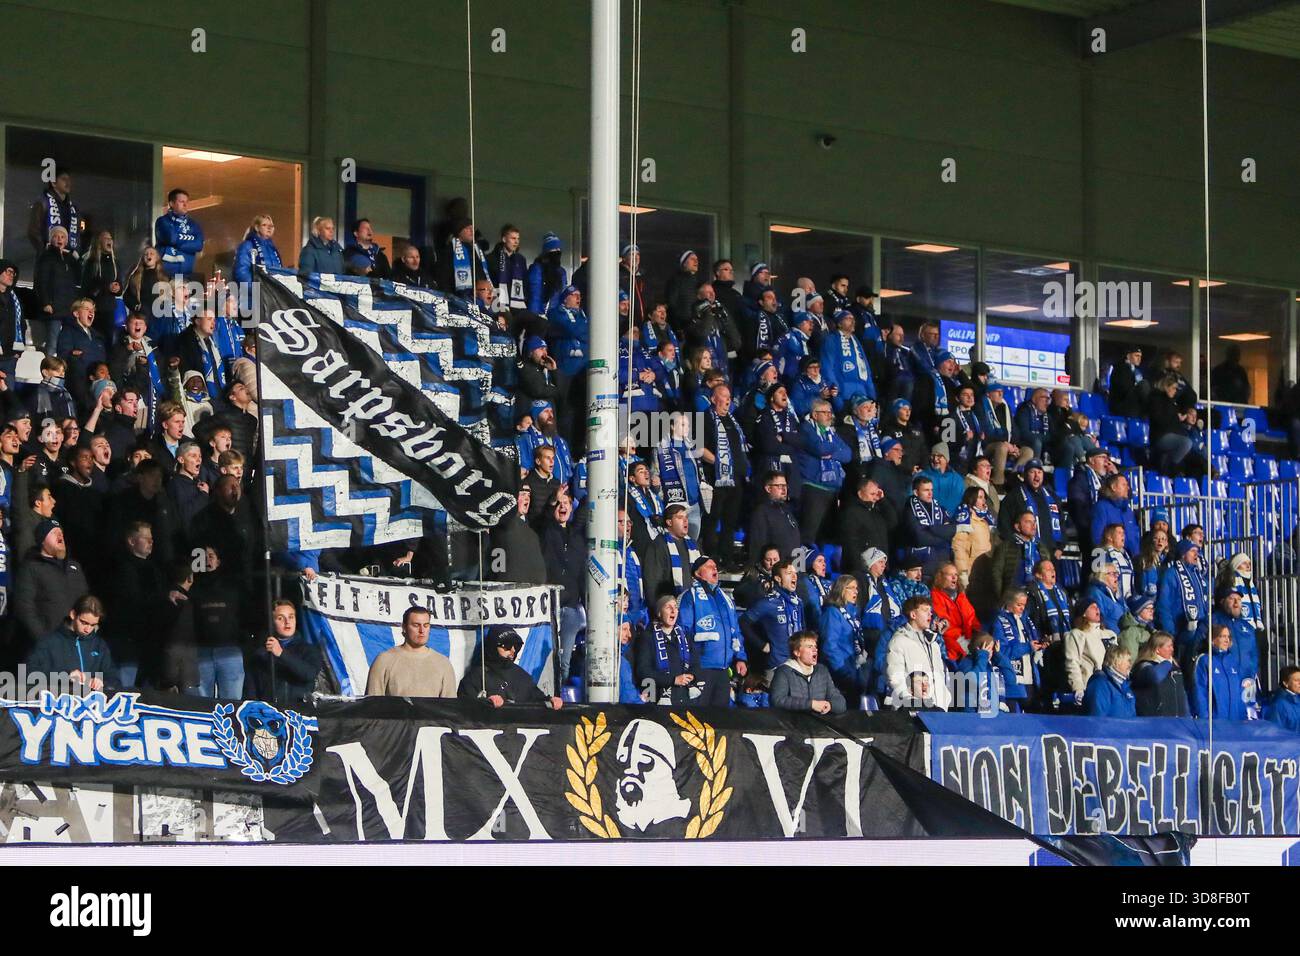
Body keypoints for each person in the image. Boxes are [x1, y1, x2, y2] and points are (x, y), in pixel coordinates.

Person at [676, 555, 745, 703]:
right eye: (709, 566)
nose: (715, 569)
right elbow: (682, 632)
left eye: (715, 566)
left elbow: (736, 632)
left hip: (723, 669)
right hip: (701, 668)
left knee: (720, 718)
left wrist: (740, 658)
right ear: (697, 573)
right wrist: (689, 665)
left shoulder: (725, 598)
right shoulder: (689, 597)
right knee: (700, 717)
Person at [14, 518, 89, 653]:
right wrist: (44, 638)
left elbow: (86, 602)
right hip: (48, 647)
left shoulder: (74, 567)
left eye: (61, 532)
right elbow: (25, 607)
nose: (60, 535)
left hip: (76, 644)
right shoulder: (31, 567)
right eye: (54, 532)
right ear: (42, 540)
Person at [698, 383, 749, 565]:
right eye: (723, 396)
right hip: (715, 479)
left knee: (730, 521)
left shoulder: (733, 421)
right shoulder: (704, 419)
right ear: (713, 399)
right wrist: (720, 463)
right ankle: (711, 557)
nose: (727, 401)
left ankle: (727, 558)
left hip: (735, 480)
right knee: (713, 520)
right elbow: (699, 448)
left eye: (729, 397)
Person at [26, 595, 118, 691]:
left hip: (91, 703)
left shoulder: (99, 645)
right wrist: (65, 676)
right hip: (58, 702)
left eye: (93, 625)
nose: (88, 629)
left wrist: (102, 683)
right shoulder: (48, 642)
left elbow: (114, 679)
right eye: (84, 622)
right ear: (73, 614)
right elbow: (28, 673)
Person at [459, 626, 561, 709]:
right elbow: (464, 708)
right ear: (492, 646)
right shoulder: (475, 676)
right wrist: (485, 703)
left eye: (516, 646)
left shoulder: (521, 676)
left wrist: (550, 700)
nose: (512, 651)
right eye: (507, 646)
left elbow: (537, 698)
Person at [636, 595, 712, 707]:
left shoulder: (685, 636)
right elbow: (644, 672)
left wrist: (692, 675)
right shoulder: (648, 637)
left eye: (675, 607)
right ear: (659, 613)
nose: (673, 610)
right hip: (657, 699)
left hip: (683, 698)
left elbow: (696, 663)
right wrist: (673, 680)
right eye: (668, 607)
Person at [365, 606, 457, 697]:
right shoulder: (384, 660)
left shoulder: (443, 663)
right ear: (404, 627)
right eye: (416, 625)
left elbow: (449, 708)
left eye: (426, 625)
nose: (422, 631)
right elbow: (372, 706)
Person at [795, 398, 851, 543]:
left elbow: (848, 454)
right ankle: (800, 565)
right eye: (825, 412)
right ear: (814, 414)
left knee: (826, 535)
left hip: (832, 489)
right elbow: (820, 448)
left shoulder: (831, 433)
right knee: (808, 533)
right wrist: (834, 449)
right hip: (814, 488)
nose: (829, 415)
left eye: (830, 412)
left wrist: (831, 452)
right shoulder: (806, 429)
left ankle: (820, 565)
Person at [249, 600, 324, 705]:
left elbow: (309, 674)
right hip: (268, 714)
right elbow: (252, 690)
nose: (287, 622)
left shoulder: (309, 650)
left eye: (291, 617)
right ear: (272, 622)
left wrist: (281, 654)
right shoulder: (261, 654)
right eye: (280, 618)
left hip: (299, 714)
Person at [739, 560, 806, 671]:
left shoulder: (798, 602)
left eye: (795, 573)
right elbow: (743, 622)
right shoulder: (768, 603)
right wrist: (761, 645)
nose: (794, 576)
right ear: (778, 578)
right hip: (777, 665)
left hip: (797, 663)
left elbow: (803, 628)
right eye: (789, 573)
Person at [886, 595, 950, 710]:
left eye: (930, 611)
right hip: (911, 712)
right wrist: (910, 701)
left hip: (937, 711)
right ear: (913, 615)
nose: (930, 614)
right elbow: (895, 677)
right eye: (925, 610)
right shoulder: (899, 641)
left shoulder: (934, 644)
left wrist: (944, 702)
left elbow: (940, 677)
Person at [1157, 538, 1209, 666]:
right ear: (1183, 554)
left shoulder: (1198, 575)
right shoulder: (1171, 574)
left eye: (1197, 551)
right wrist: (1170, 632)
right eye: (1192, 551)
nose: (1196, 554)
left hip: (1200, 632)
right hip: (1180, 633)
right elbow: (1164, 604)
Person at [997, 460, 1064, 559]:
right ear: (1025, 475)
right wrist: (1015, 545)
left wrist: (1060, 547)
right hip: (1023, 553)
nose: (1037, 476)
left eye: (1039, 472)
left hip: (1050, 553)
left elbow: (1061, 521)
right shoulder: (1014, 496)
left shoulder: (1052, 496)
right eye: (1032, 472)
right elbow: (1004, 524)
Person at [989, 589, 1043, 709]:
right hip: (1013, 679)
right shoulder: (999, 622)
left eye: (1024, 605)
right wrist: (1028, 647)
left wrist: (1039, 647)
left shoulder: (1026, 621)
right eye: (1019, 605)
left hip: (1030, 678)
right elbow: (1002, 651)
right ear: (1009, 603)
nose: (1022, 608)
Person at [770, 631, 846, 714]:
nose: (815, 650)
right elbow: (777, 700)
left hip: (819, 725)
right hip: (793, 725)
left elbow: (840, 701)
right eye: (809, 647)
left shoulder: (822, 671)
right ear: (797, 652)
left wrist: (830, 705)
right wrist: (811, 704)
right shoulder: (784, 672)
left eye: (815, 646)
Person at [820, 575, 870, 700]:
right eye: (851, 588)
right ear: (841, 589)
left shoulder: (853, 612)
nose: (856, 591)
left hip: (855, 669)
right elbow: (829, 647)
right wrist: (843, 672)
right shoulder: (832, 613)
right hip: (841, 674)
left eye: (856, 588)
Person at [839, 477, 897, 576]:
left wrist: (883, 500)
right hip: (863, 569)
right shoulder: (851, 512)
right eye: (872, 494)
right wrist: (860, 568)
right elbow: (851, 542)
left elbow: (893, 522)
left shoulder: (876, 511)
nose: (875, 497)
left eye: (877, 494)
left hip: (879, 567)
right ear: (860, 494)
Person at [35, 225, 79, 352]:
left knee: (67, 344)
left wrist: (77, 260)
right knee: (52, 342)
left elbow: (78, 280)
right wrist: (46, 302)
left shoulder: (70, 259)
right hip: (54, 309)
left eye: (62, 236)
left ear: (66, 241)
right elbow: (41, 281)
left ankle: (63, 370)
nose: (59, 239)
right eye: (56, 236)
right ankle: (49, 368)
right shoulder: (46, 257)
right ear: (51, 239)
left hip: (68, 308)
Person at [1191, 625, 1248, 721]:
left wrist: (1243, 717)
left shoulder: (1233, 661)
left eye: (1228, 636)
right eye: (1222, 636)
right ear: (1213, 639)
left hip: (1236, 722)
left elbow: (1240, 692)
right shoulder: (1204, 661)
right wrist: (1204, 719)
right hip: (1214, 724)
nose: (1227, 640)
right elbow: (1199, 691)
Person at [1064, 597, 1117, 699]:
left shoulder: (1110, 634)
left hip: (1113, 687)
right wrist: (1078, 688)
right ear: (1083, 613)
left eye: (1097, 607)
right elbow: (1072, 663)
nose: (1097, 609)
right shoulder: (1076, 634)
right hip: (1092, 688)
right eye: (1093, 607)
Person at [977, 381, 1027, 485]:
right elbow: (987, 433)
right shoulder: (981, 407)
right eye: (997, 391)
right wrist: (1006, 443)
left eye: (1002, 392)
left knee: (1028, 451)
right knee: (1002, 447)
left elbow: (1014, 430)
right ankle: (998, 482)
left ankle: (1013, 478)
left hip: (1006, 445)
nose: (1001, 394)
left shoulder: (1005, 407)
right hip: (986, 446)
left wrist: (1014, 446)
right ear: (988, 394)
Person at [953, 632, 1016, 714]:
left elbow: (1011, 679)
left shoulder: (993, 664)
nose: (991, 652)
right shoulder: (966, 663)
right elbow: (974, 681)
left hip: (997, 714)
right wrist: (982, 656)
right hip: (974, 716)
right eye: (988, 648)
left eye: (993, 649)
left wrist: (999, 655)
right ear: (978, 649)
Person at [951, 485, 995, 600]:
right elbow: (959, 548)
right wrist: (963, 574)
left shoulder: (985, 519)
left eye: (984, 497)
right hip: (972, 573)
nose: (983, 500)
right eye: (980, 497)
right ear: (972, 499)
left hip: (985, 571)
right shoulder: (965, 518)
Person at [903, 475, 954, 575]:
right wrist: (941, 536)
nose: (930, 493)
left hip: (942, 560)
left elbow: (951, 531)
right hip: (923, 563)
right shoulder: (909, 510)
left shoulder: (939, 508)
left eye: (931, 490)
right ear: (916, 492)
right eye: (926, 490)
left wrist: (932, 531)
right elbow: (920, 537)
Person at [746, 471, 801, 562]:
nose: (784, 489)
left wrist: (800, 569)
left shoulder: (787, 511)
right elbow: (758, 544)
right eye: (779, 486)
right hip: (777, 569)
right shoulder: (762, 511)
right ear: (768, 488)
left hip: (794, 569)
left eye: (785, 486)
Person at [1131, 632, 1189, 717]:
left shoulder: (1175, 667)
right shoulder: (1144, 666)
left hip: (1178, 722)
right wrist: (1167, 662)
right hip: (1155, 721)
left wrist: (1187, 717)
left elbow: (1182, 695)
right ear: (1157, 649)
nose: (1172, 649)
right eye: (1169, 646)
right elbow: (1155, 676)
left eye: (1172, 646)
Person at [931, 562, 980, 661]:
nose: (954, 578)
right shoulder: (935, 596)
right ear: (940, 577)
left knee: (988, 642)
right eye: (950, 575)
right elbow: (946, 627)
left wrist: (977, 634)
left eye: (956, 575)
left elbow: (972, 617)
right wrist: (964, 643)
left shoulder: (961, 596)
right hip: (953, 642)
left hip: (968, 638)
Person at [1089, 473, 1141, 560]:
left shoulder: (1128, 510)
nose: (1128, 488)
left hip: (1131, 560)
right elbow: (1097, 537)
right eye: (1124, 484)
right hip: (1110, 561)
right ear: (1113, 487)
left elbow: (1134, 535)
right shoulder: (1101, 507)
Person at [154, 188, 205, 277]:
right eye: (181, 201)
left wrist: (179, 240)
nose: (185, 204)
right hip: (163, 276)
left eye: (187, 202)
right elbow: (171, 238)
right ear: (171, 204)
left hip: (185, 275)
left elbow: (198, 245)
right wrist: (189, 239)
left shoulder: (193, 224)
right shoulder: (163, 221)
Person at [28, 168, 79, 254]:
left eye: (69, 180)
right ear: (53, 183)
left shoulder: (73, 208)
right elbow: (33, 231)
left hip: (68, 259)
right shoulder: (43, 202)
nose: (68, 183)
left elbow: (77, 234)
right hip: (48, 260)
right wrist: (44, 251)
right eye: (64, 179)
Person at [1082, 645, 1137, 718]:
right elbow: (1096, 719)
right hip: (1109, 729)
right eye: (1128, 660)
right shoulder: (1099, 685)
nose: (1130, 664)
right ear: (1116, 662)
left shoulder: (1126, 688)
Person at [487, 224, 528, 312]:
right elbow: (490, 283)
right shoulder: (492, 258)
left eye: (518, 239)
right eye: (513, 238)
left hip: (518, 305)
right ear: (504, 239)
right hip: (497, 305)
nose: (516, 242)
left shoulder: (521, 260)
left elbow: (525, 283)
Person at [1216, 552, 1263, 628]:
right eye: (1244, 563)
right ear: (1236, 565)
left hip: (1255, 629)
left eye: (1249, 563)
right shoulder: (1230, 581)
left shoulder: (1251, 584)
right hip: (1239, 628)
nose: (1248, 566)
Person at [232, 214, 282, 283]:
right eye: (264, 225)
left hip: (272, 291)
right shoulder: (247, 246)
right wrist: (257, 289)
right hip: (256, 291)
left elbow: (280, 271)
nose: (269, 228)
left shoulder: (273, 248)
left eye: (271, 226)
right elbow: (241, 274)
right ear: (257, 228)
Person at [919, 442, 964, 515]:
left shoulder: (957, 479)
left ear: (946, 459)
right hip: (927, 522)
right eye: (933, 456)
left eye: (939, 456)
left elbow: (961, 503)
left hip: (951, 523)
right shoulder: (921, 476)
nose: (935, 459)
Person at [1087, 563, 1127, 634]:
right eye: (1113, 574)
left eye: (1117, 574)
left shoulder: (1113, 595)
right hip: (1110, 638)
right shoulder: (1095, 593)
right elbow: (1099, 619)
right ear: (1102, 576)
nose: (1116, 577)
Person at [1117, 594, 1158, 662]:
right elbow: (1131, 660)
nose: (1151, 611)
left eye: (1152, 608)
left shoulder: (1149, 627)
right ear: (1138, 610)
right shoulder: (1130, 632)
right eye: (1148, 608)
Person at [1108, 345, 1146, 417]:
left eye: (1140, 356)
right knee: (1144, 385)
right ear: (1128, 356)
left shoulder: (1137, 371)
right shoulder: (1120, 369)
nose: (1139, 359)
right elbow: (1123, 389)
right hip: (1121, 405)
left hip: (1133, 405)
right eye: (1136, 356)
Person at [1264, 666, 1300, 731]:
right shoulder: (1278, 704)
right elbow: (1274, 731)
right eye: (1297, 680)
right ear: (1285, 683)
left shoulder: (1296, 698)